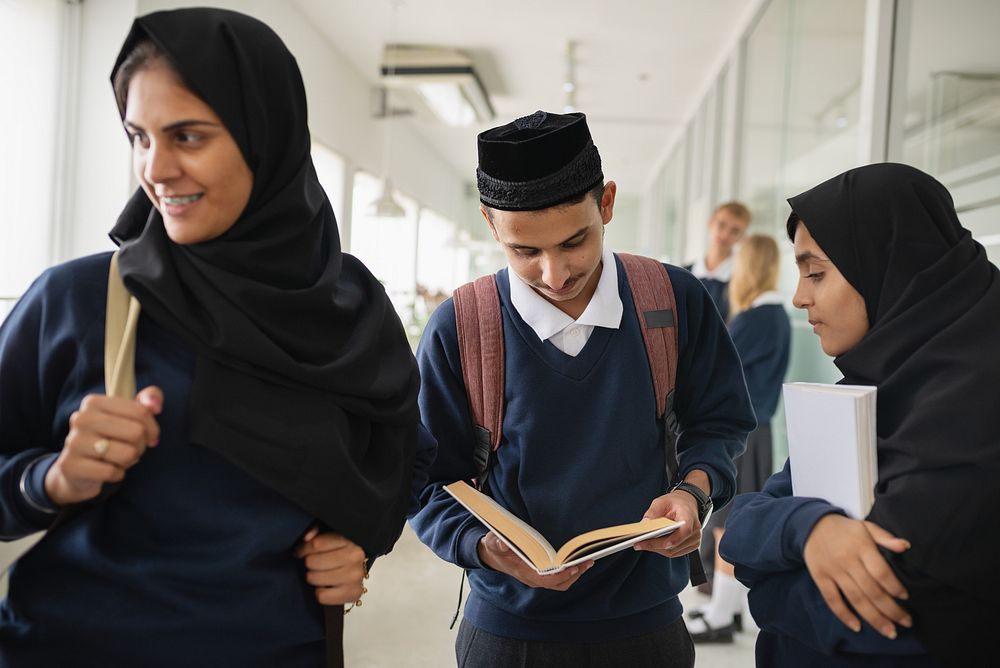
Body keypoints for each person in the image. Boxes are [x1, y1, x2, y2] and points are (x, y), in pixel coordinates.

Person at [0, 8, 429, 664]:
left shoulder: (352, 312)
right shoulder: (78, 302)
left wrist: (355, 547)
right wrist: (50, 479)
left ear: (267, 137)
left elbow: (389, 472)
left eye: (188, 137)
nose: (156, 169)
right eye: (138, 136)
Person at [409, 110, 756, 667]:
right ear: (490, 224)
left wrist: (694, 492)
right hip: (507, 633)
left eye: (575, 241)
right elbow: (426, 480)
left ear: (608, 203)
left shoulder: (673, 301)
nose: (554, 274)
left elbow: (720, 421)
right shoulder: (462, 325)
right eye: (525, 251)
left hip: (647, 627)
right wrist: (483, 548)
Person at [720, 163, 999, 667]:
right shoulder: (870, 384)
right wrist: (811, 529)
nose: (801, 297)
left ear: (890, 264)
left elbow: (890, 616)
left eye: (816, 272)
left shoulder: (978, 406)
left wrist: (767, 593)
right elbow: (741, 524)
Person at [687, 234, 790, 644]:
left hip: (746, 434)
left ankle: (720, 617)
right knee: (730, 520)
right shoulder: (772, 315)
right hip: (757, 431)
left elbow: (720, 371)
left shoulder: (760, 317)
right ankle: (729, 610)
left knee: (725, 525)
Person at [684, 201, 752, 321]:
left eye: (735, 231)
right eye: (721, 225)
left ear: (742, 237)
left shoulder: (744, 280)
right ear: (710, 223)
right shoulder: (684, 273)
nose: (725, 234)